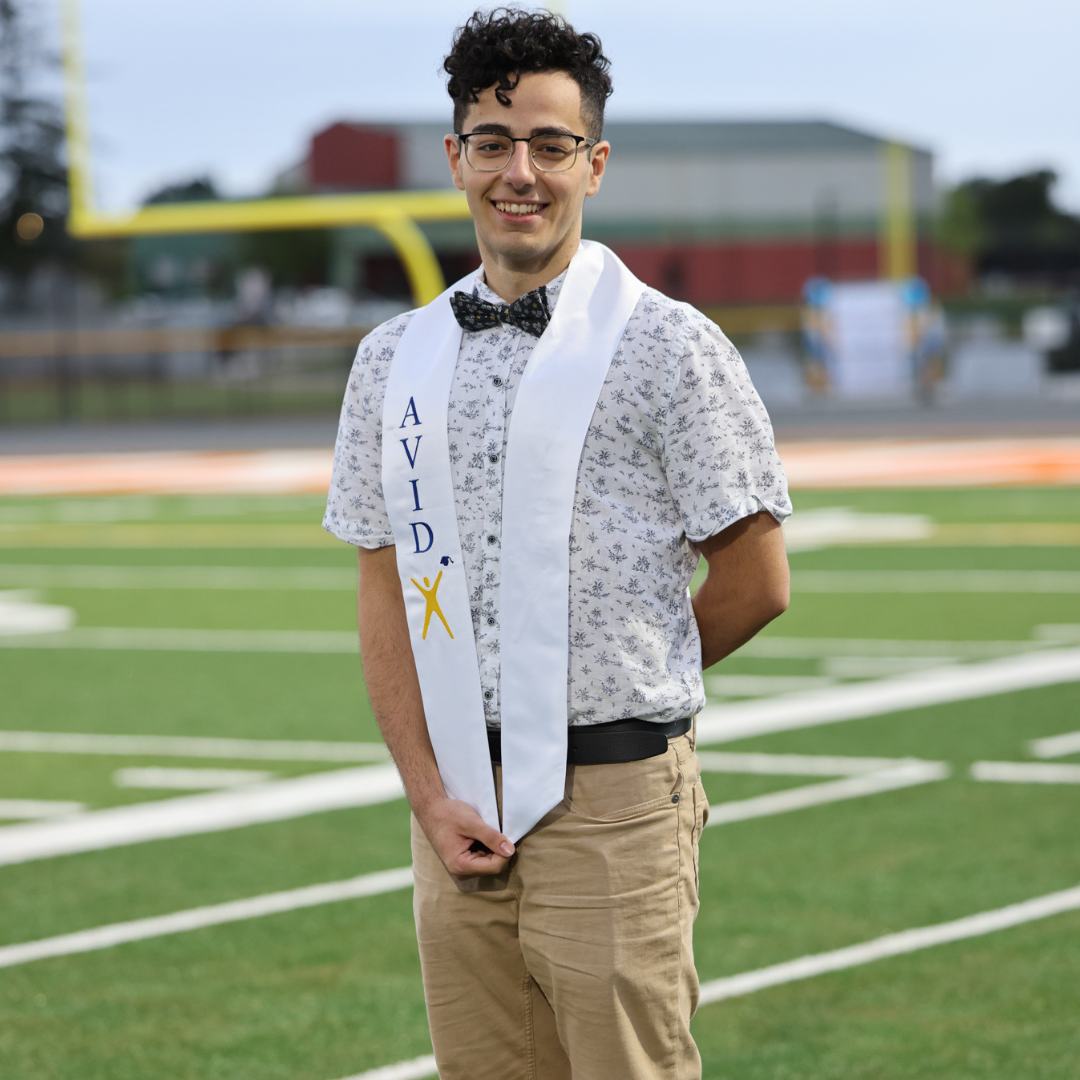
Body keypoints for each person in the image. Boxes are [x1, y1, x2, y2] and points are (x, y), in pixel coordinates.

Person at [323, 9, 791, 1079]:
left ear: (595, 163)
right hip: (456, 805)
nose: (519, 173)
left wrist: (609, 679)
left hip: (611, 802)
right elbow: (384, 589)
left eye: (549, 144)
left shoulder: (669, 344)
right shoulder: (391, 357)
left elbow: (758, 580)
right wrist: (426, 792)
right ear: (456, 158)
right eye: (493, 143)